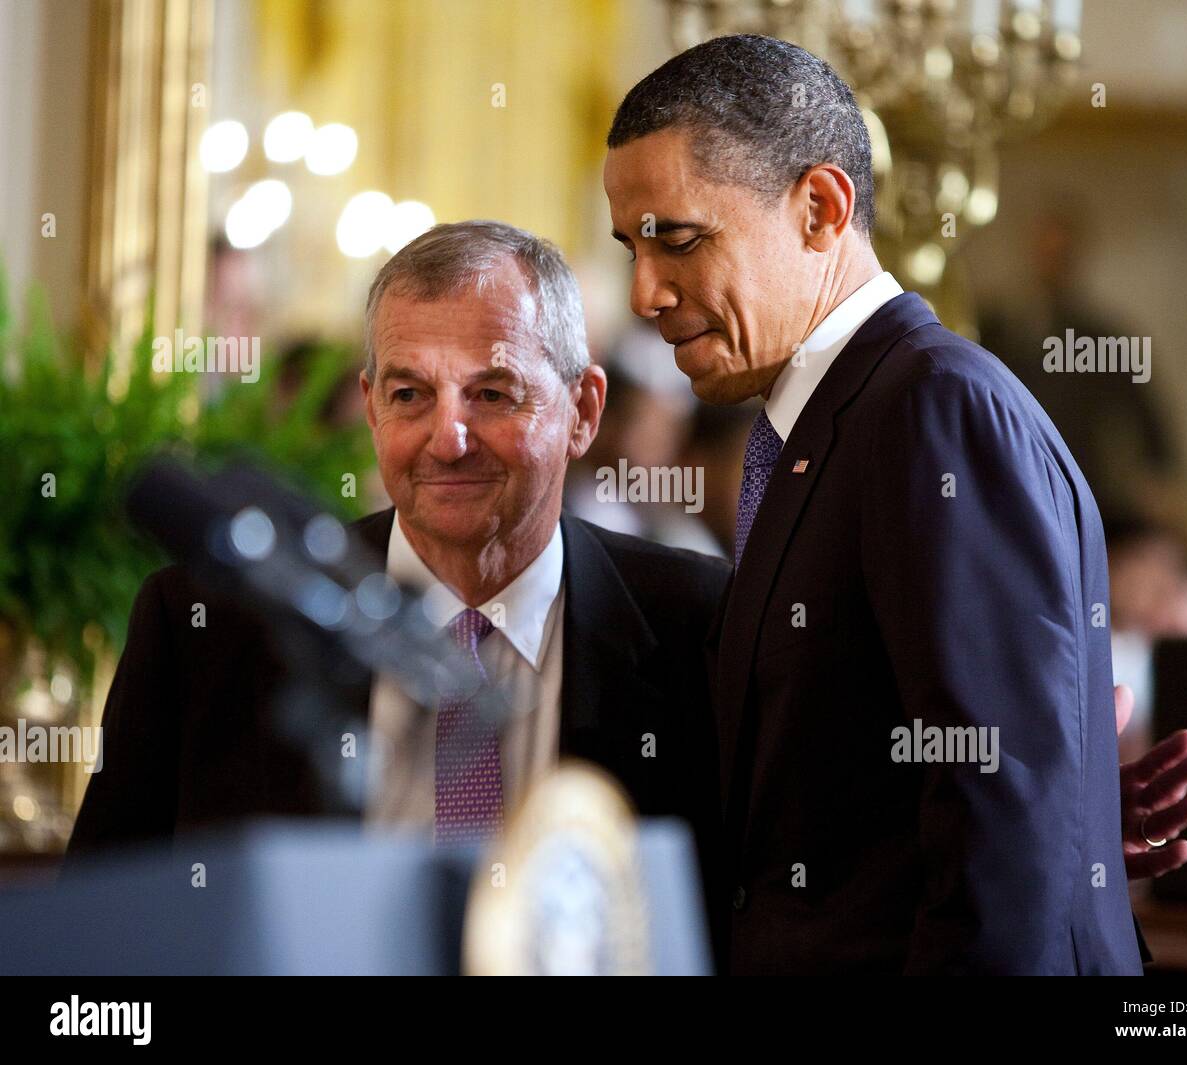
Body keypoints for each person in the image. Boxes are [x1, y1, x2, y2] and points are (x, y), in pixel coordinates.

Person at [603, 33, 1187, 973]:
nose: (645, 291)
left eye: (677, 239)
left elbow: (1003, 835)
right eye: (629, 248)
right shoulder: (830, 423)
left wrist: (1060, 827)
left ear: (820, 208)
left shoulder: (934, 409)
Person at [66, 221, 729, 944]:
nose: (448, 438)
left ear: (583, 410)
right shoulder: (205, 622)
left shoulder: (702, 625)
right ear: (371, 403)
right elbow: (103, 927)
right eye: (410, 393)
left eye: (494, 393)